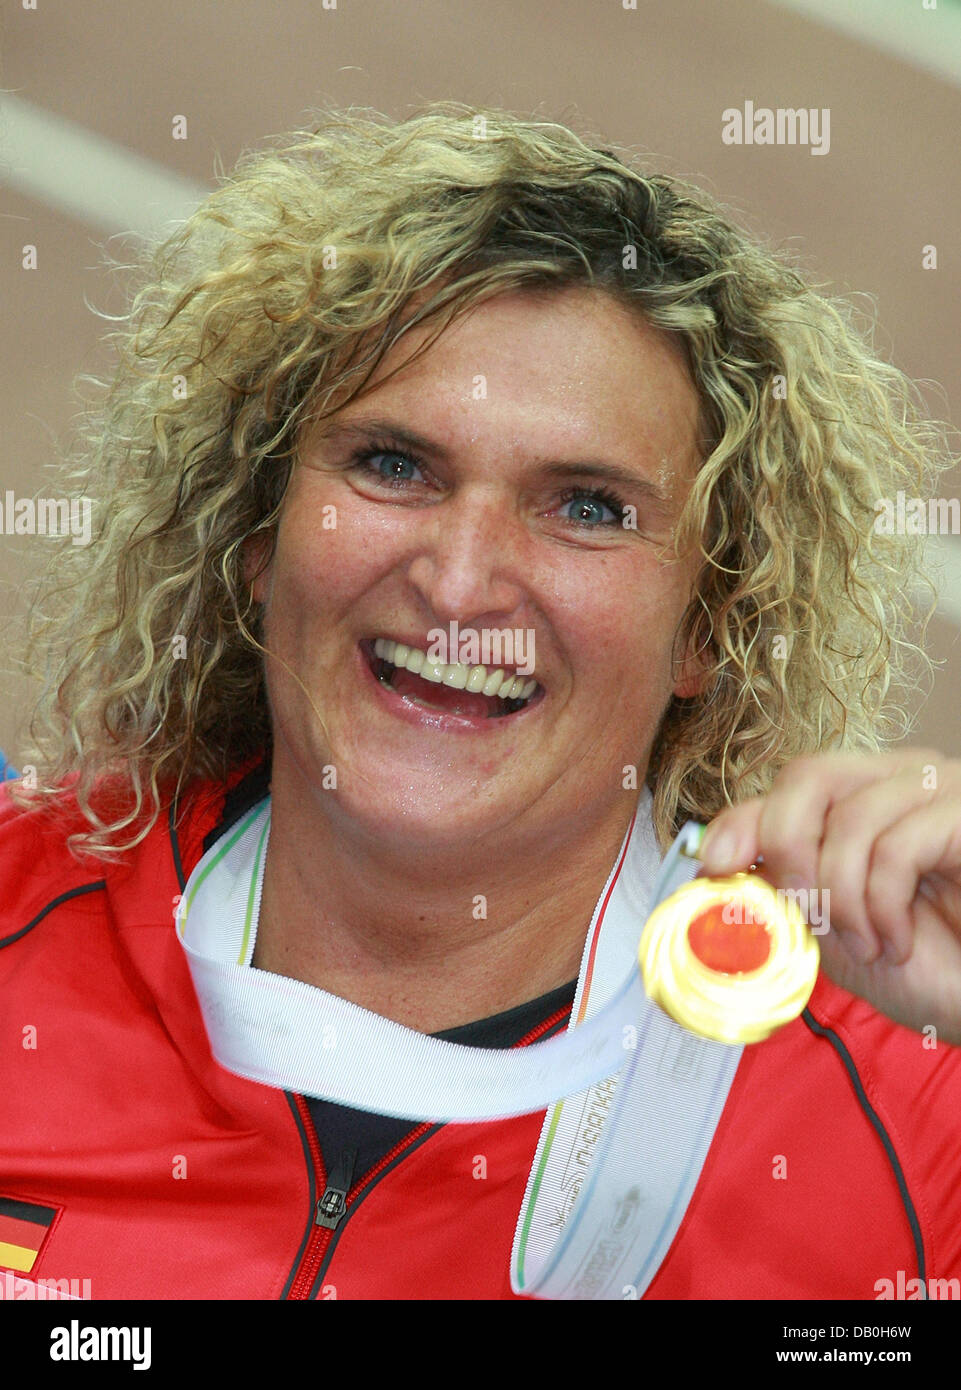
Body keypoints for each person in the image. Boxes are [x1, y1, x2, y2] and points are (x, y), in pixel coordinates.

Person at [1, 100, 959, 1302]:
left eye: (587, 506)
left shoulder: (908, 1132)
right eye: (394, 465)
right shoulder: (18, 915)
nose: (458, 579)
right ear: (259, 534)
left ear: (707, 630)